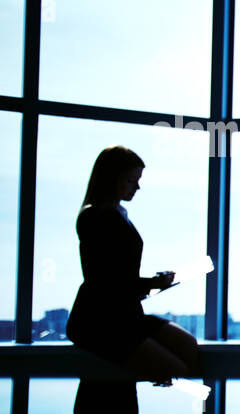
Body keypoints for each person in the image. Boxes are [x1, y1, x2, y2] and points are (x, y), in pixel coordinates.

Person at [64, 146, 202, 384]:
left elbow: (116, 278)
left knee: (186, 346)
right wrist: (154, 284)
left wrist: (154, 284)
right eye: (131, 180)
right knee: (172, 367)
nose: (137, 187)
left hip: (122, 314)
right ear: (112, 179)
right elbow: (107, 282)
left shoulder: (113, 215)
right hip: (101, 320)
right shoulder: (97, 217)